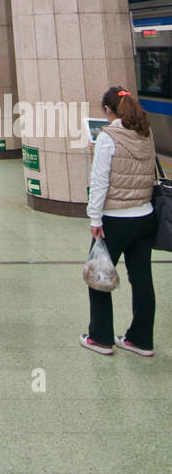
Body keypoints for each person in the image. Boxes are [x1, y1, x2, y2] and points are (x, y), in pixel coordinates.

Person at [81, 86, 157, 356]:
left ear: (107, 110)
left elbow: (100, 181)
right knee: (142, 279)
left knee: (99, 276)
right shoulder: (146, 132)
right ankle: (141, 340)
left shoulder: (108, 137)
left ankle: (100, 338)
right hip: (145, 216)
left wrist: (95, 217)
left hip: (114, 220)